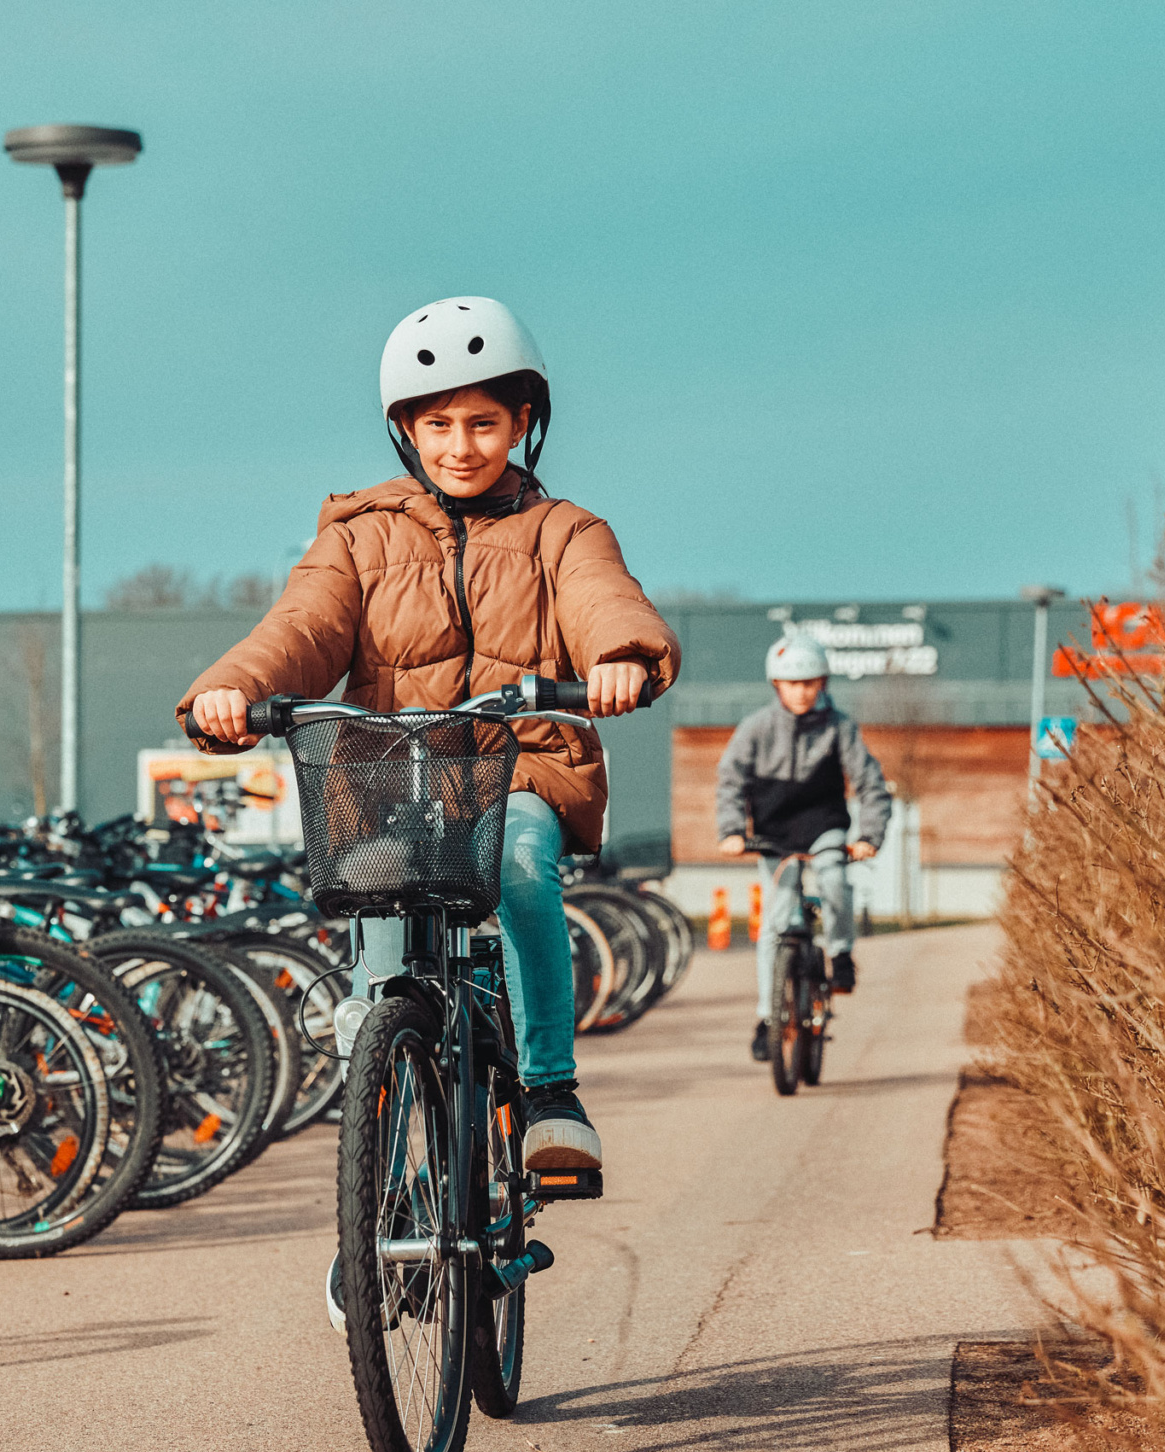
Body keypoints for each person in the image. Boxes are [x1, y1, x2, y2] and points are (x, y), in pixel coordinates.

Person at [179, 295, 679, 1198]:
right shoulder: (357, 538)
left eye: (484, 422)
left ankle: (549, 1095)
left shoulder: (565, 533)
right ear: (406, 430)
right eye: (438, 423)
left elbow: (605, 599)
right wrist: (232, 689)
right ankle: (378, 1205)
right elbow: (298, 628)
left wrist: (618, 659)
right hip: (391, 775)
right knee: (372, 910)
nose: (461, 444)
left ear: (523, 422)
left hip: (517, 762)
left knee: (524, 861)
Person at [714, 637, 892, 1061]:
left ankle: (841, 953)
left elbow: (871, 785)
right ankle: (768, 1017)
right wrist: (732, 831)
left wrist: (869, 837)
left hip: (824, 826)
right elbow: (730, 781)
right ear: (777, 685)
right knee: (777, 921)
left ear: (823, 683)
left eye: (810, 683)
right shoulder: (756, 728)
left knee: (833, 878)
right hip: (774, 835)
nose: (802, 692)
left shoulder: (839, 727)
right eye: (792, 684)